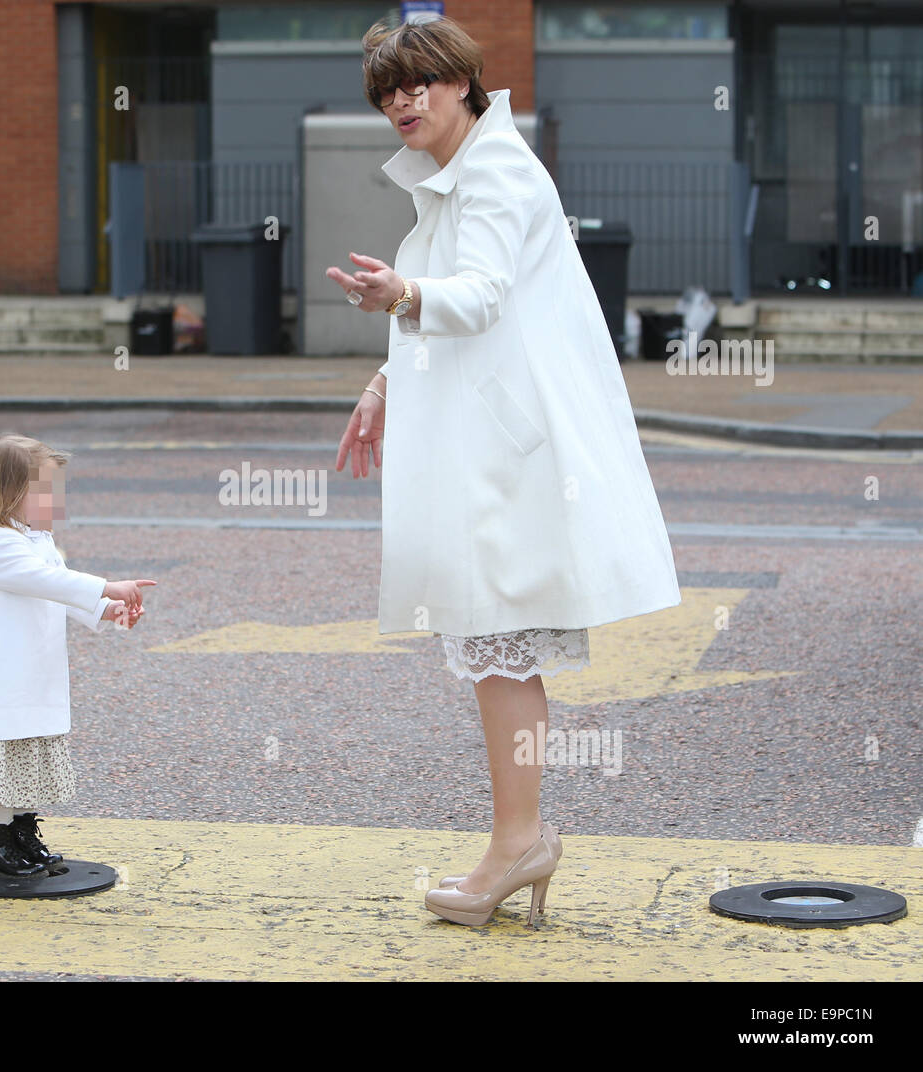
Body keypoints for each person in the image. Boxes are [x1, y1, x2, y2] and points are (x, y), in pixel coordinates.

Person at [327, 15, 681, 928]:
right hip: (490, 450)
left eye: (418, 85)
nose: (401, 103)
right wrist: (380, 385)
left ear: (461, 83)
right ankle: (516, 842)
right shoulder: (458, 175)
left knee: (497, 641)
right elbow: (455, 293)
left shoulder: (497, 171)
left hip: (510, 459)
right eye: (387, 93)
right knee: (492, 645)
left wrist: (397, 294)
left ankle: (517, 845)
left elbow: (475, 295)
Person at [0, 433, 157, 877]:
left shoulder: (39, 541)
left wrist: (105, 610)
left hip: (27, 676)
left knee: (26, 754)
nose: (56, 499)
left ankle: (21, 833)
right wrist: (106, 586)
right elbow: (48, 582)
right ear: (12, 494)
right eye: (46, 490)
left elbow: (56, 590)